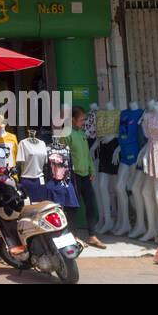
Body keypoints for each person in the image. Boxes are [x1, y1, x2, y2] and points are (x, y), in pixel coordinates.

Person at [70, 106, 106, 249]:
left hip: (85, 175)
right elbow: (62, 155)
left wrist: (91, 169)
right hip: (74, 176)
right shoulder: (66, 134)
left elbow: (86, 153)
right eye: (82, 119)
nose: (84, 122)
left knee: (91, 205)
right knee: (73, 207)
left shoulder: (82, 133)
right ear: (72, 119)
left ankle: (92, 236)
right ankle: (73, 236)